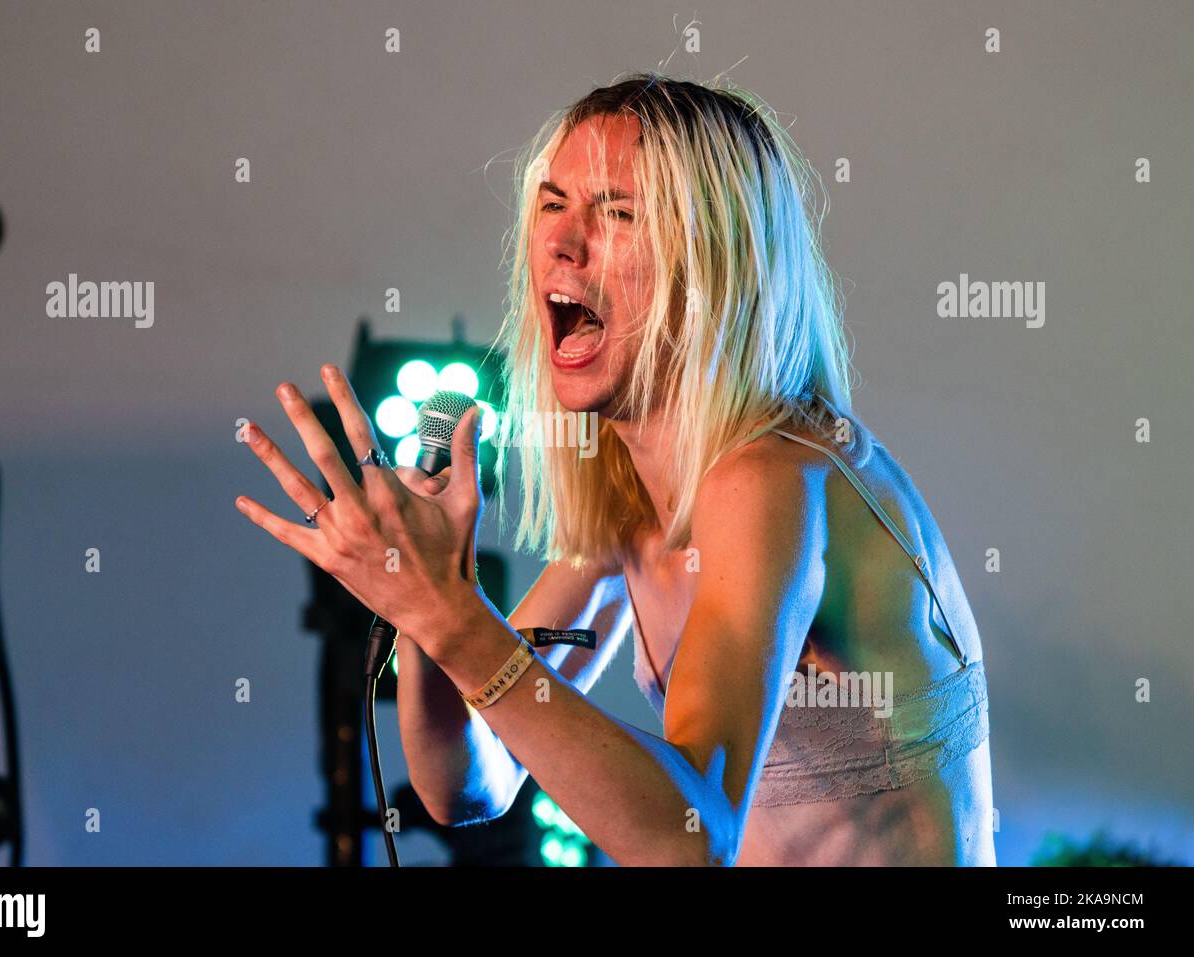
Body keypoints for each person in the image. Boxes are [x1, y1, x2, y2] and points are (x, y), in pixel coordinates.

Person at [236, 73, 995, 866]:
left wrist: (458, 619)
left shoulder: (771, 477)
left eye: (620, 213)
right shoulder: (632, 507)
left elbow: (687, 838)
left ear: (715, 262)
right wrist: (431, 613)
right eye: (552, 203)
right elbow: (467, 785)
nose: (565, 242)